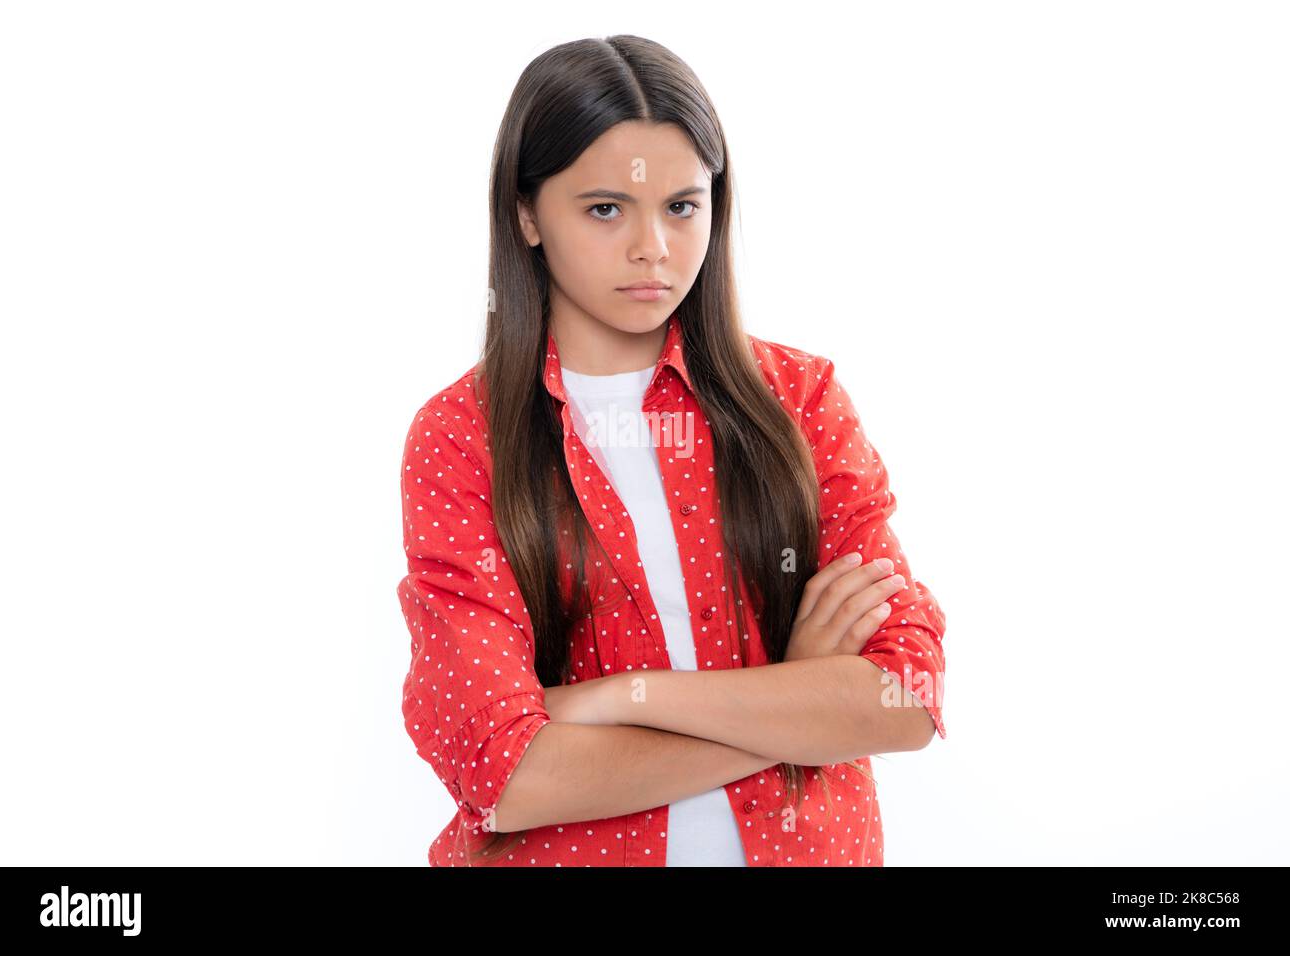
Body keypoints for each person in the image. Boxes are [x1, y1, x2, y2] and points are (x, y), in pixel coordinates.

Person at [396, 34, 946, 867]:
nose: (653, 246)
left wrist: (619, 698)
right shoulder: (459, 439)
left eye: (683, 206)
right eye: (606, 208)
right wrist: (793, 701)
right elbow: (508, 773)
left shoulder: (798, 400)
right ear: (525, 214)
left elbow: (908, 697)